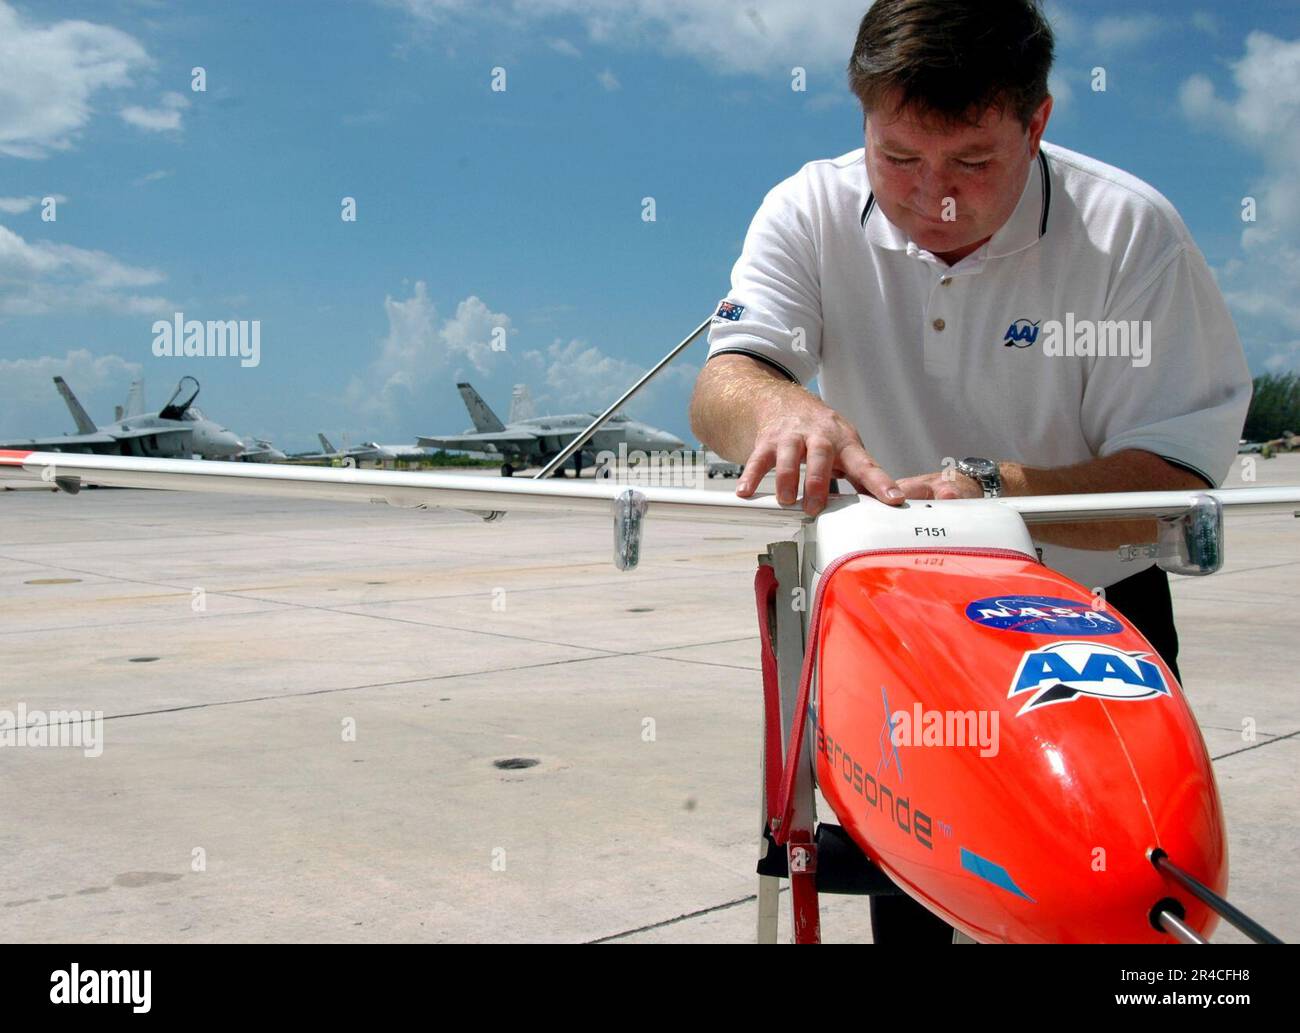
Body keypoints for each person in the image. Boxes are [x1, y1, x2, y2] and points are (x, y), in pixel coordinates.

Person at [689, 0, 1252, 942]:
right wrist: (780, 406)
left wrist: (1000, 494)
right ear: (861, 117)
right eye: (898, 158)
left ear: (1037, 124)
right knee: (914, 901)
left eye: (973, 164)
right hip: (900, 628)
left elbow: (1175, 480)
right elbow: (723, 383)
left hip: (1089, 624)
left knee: (1116, 905)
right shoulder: (809, 208)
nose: (934, 199)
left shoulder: (1131, 235)